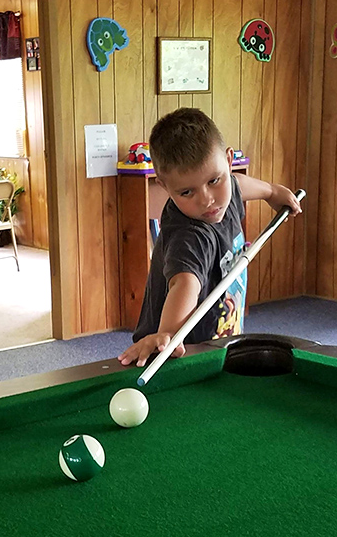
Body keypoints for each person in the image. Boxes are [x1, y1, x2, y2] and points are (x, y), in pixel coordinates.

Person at [118, 108, 301, 367]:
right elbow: (185, 284)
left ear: (228, 161)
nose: (207, 200)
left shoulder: (227, 194)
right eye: (187, 192)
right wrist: (168, 334)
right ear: (164, 186)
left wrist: (272, 191)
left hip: (217, 339)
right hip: (177, 354)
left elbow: (238, 185)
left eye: (214, 180)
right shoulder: (190, 235)